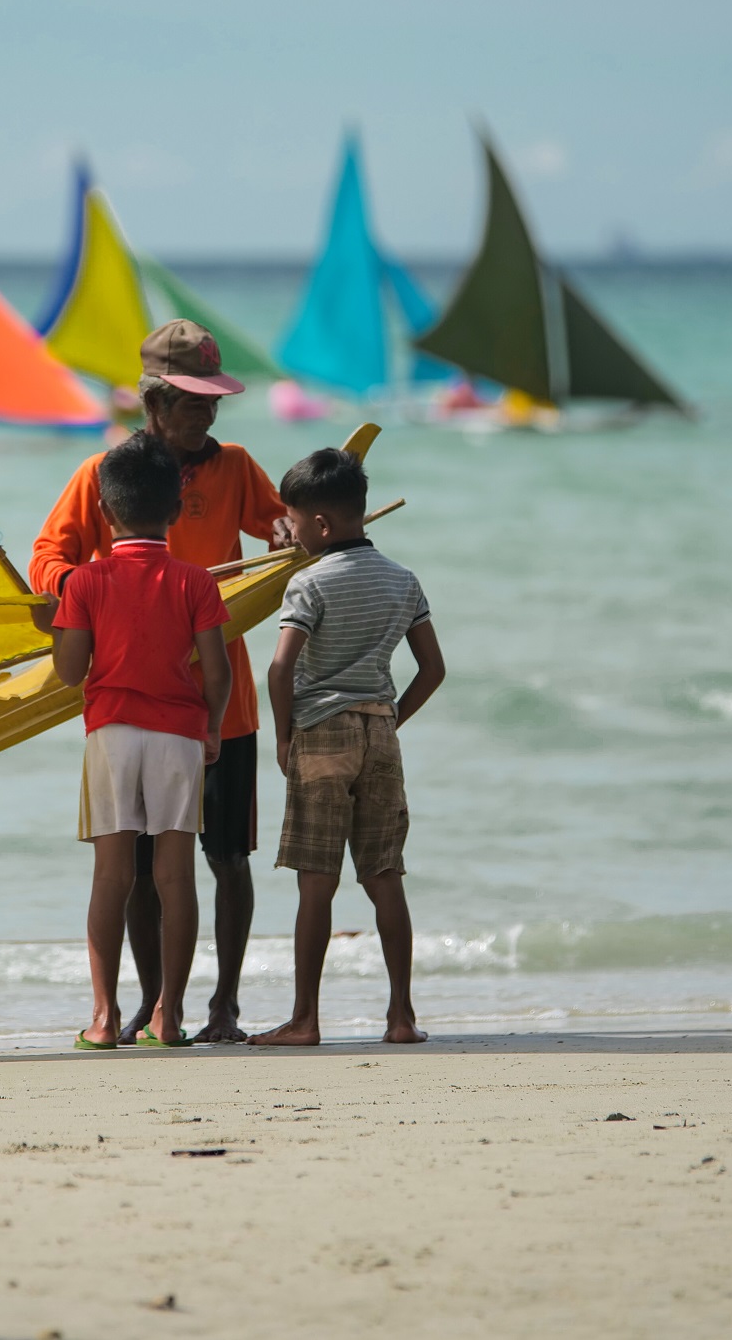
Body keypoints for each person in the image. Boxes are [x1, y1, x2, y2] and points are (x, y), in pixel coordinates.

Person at [29, 318, 293, 1043]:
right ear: (152, 400)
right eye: (190, 402)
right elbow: (47, 557)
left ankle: (223, 1006)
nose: (206, 414)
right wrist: (75, 589)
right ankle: (151, 1004)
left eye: (213, 401)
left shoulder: (234, 465)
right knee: (142, 868)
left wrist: (292, 534)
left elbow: (279, 532)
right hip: (139, 704)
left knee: (226, 858)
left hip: (222, 706)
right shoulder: (103, 475)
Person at [249, 448, 445, 1048]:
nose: (291, 530)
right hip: (379, 730)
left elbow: (279, 671)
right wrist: (388, 721)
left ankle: (305, 1019)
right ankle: (401, 1017)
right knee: (385, 877)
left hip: (320, 730)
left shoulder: (308, 582)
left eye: (295, 520)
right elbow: (432, 670)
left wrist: (285, 737)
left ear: (323, 526)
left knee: (317, 883)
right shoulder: (402, 580)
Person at [47, 432, 233, 1050]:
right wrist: (211, 727)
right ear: (176, 512)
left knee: (111, 877)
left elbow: (71, 671)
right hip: (179, 735)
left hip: (112, 733)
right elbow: (218, 668)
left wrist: (61, 624)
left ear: (103, 512)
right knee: (176, 877)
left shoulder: (85, 582)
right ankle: (169, 1016)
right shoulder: (197, 582)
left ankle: (102, 1020)